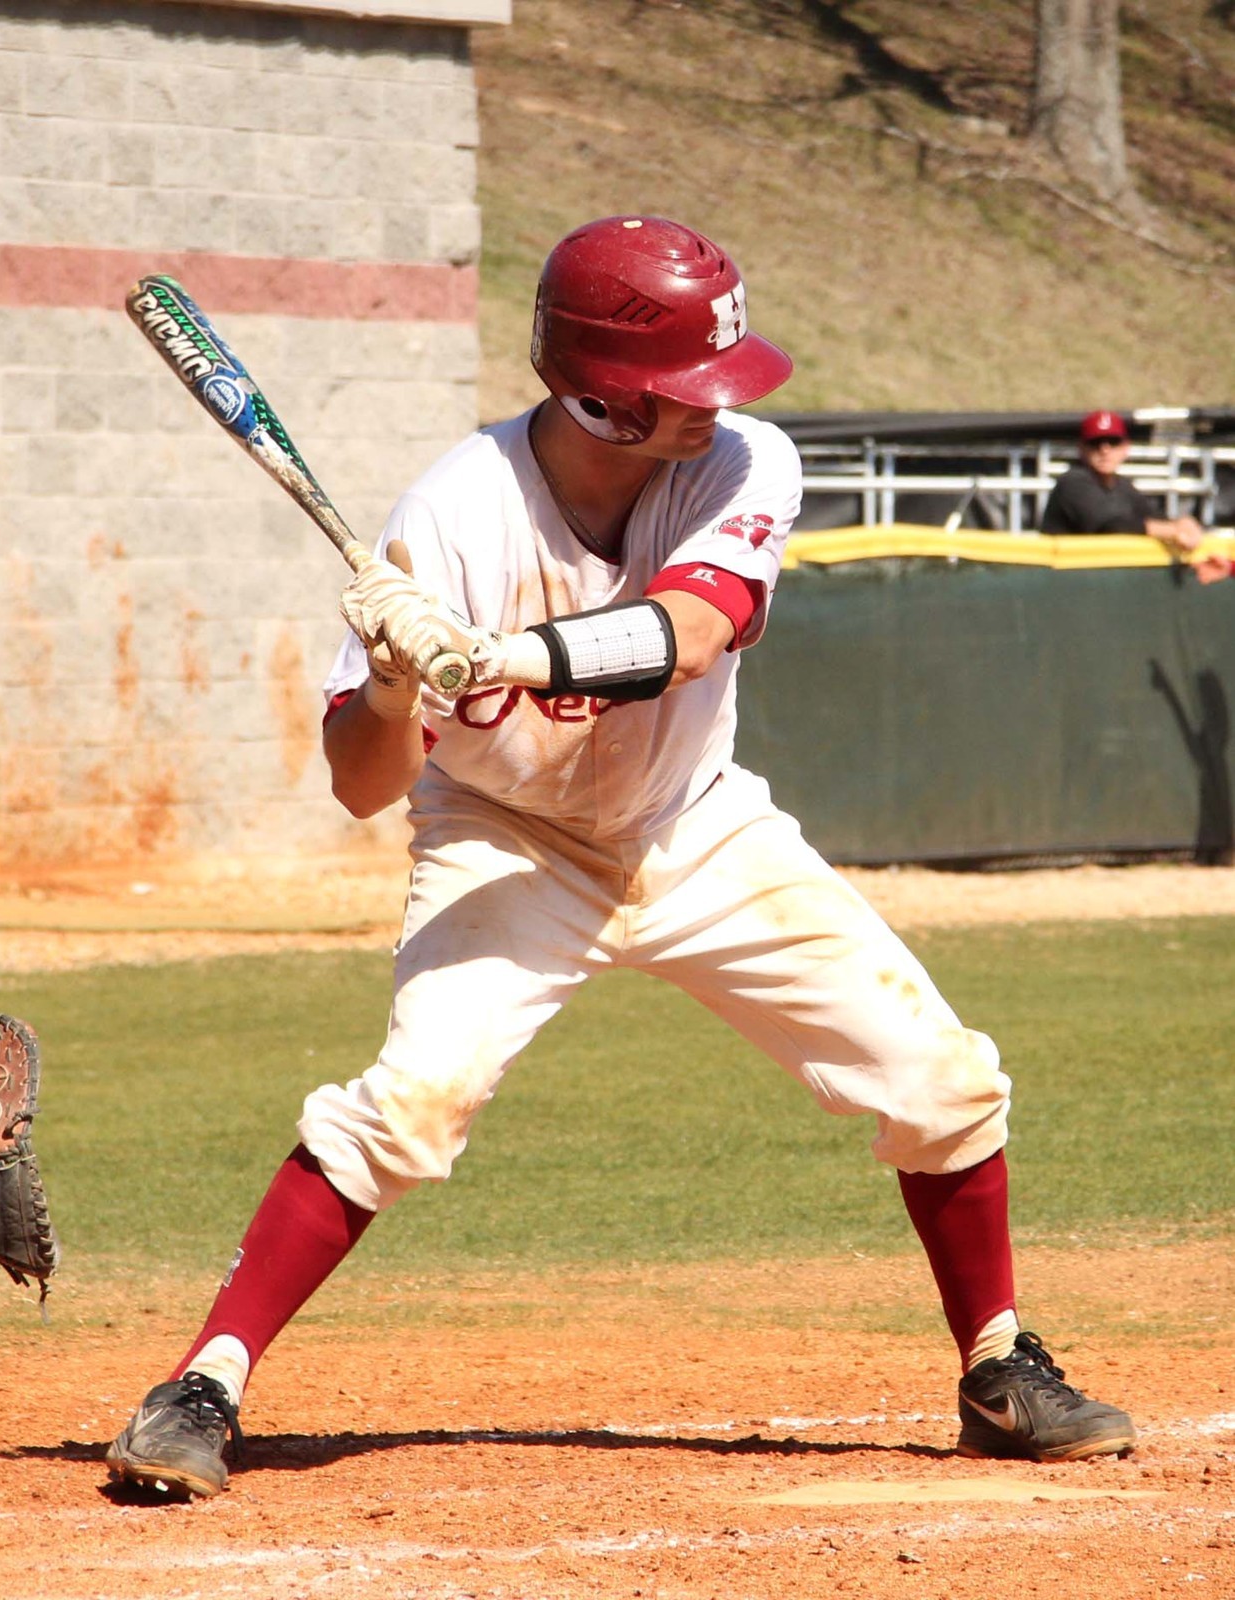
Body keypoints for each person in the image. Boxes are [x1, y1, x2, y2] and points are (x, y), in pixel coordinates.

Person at [106, 215, 1135, 1501]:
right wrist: (384, 688)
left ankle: (996, 1365)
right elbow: (364, 789)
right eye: (678, 389)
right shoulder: (453, 515)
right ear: (593, 394)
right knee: (414, 1098)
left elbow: (693, 633)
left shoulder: (740, 461)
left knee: (942, 1077)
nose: (713, 406)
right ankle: (203, 1380)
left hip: (694, 825)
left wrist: (498, 656)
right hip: (505, 840)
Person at [1040, 409, 1205, 551]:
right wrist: (1173, 531)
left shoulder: (1122, 486)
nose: (1104, 450)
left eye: (1113, 442)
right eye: (1095, 442)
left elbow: (1153, 517)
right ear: (1081, 448)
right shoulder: (1073, 482)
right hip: (1058, 578)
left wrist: (1183, 523)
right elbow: (1111, 526)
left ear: (1125, 448)